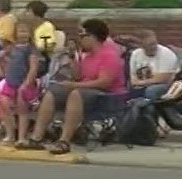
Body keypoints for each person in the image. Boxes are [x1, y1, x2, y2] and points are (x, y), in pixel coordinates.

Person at [39, 17, 127, 155]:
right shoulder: (88, 55)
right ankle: (37, 136)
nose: (80, 39)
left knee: (76, 94)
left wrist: (74, 85)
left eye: (83, 35)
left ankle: (64, 140)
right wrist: (73, 60)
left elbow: (104, 82)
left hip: (107, 95)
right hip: (86, 89)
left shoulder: (109, 54)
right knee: (53, 91)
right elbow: (79, 76)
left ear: (93, 36)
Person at [127, 28, 179, 101]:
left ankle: (149, 110)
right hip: (143, 85)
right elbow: (133, 79)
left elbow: (164, 78)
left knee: (151, 90)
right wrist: (146, 81)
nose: (154, 46)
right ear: (141, 45)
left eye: (155, 43)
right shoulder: (135, 54)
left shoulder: (166, 53)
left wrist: (141, 82)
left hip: (167, 85)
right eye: (150, 45)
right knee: (130, 90)